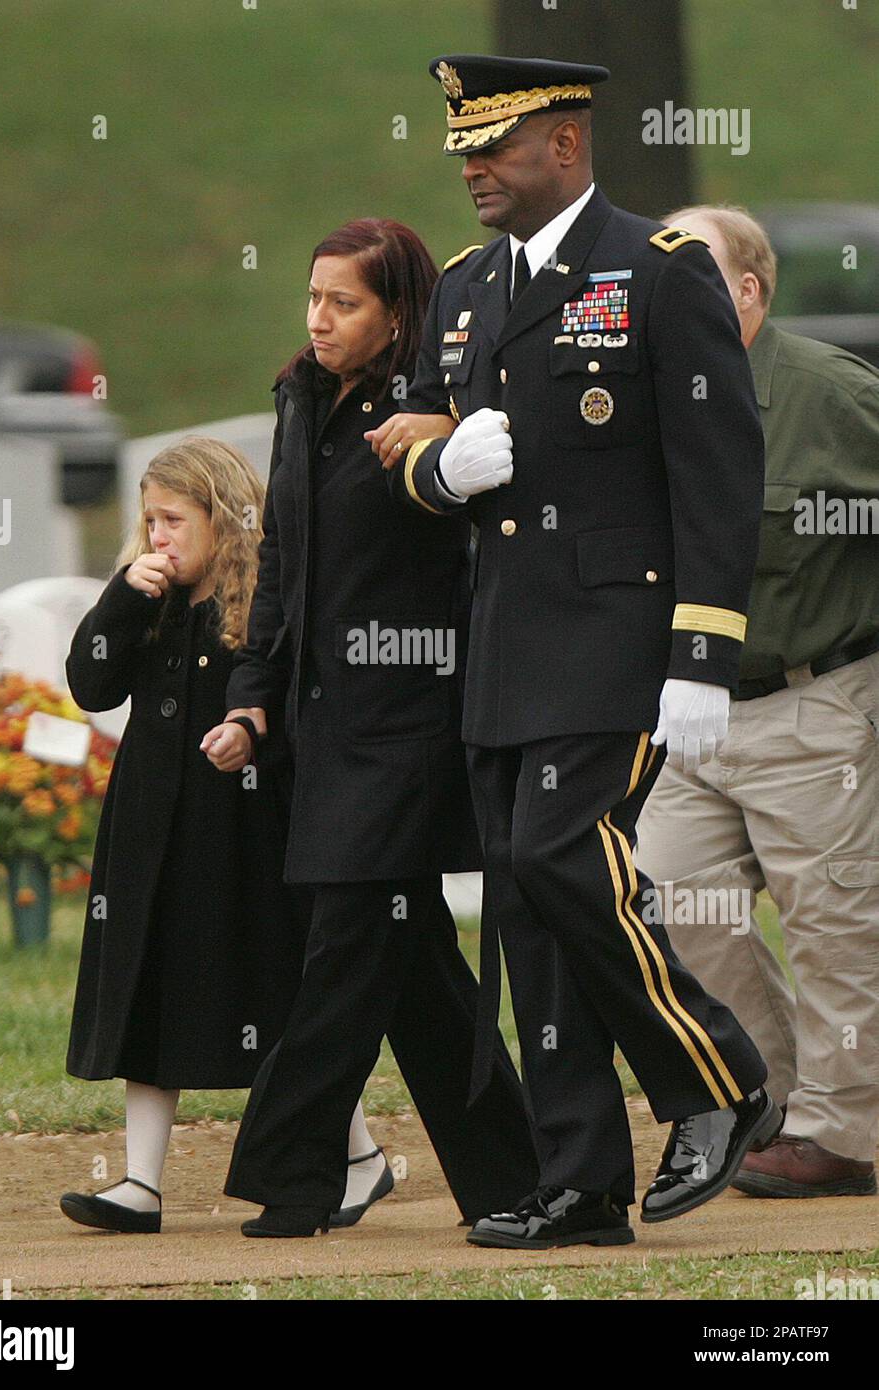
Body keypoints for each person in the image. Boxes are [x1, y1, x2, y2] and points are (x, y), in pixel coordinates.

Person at [372, 54, 778, 1250]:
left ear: (563, 143)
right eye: (461, 150)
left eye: (493, 147)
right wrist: (433, 468)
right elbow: (408, 430)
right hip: (504, 640)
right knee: (527, 899)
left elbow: (720, 471)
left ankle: (714, 1075)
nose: (472, 170)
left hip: (618, 636)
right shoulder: (464, 288)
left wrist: (701, 654)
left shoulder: (658, 273)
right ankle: (580, 1178)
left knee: (562, 855)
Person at [202, 218, 539, 1238]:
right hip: (320, 729)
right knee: (415, 969)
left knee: (346, 945)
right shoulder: (301, 401)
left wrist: (443, 438)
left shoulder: (432, 409)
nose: (317, 320)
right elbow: (283, 572)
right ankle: (517, 1178)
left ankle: (294, 1175)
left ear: (400, 313)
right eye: (310, 299)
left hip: (410, 727)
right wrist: (250, 696)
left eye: (341, 303)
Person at [59, 437, 372, 1233]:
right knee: (148, 988)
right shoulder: (144, 597)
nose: (158, 537)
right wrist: (124, 598)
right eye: (150, 521)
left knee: (271, 991)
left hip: (241, 830)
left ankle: (360, 1156)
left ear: (221, 517)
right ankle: (140, 1183)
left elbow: (292, 700)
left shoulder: (263, 596)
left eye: (174, 520)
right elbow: (90, 683)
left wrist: (251, 736)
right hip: (147, 829)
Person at [636, 205, 879, 1200]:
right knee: (668, 896)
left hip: (810, 698)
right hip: (682, 710)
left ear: (747, 290)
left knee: (834, 926)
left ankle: (844, 1130)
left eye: (688, 271)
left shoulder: (830, 396)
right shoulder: (635, 396)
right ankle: (774, 1101)